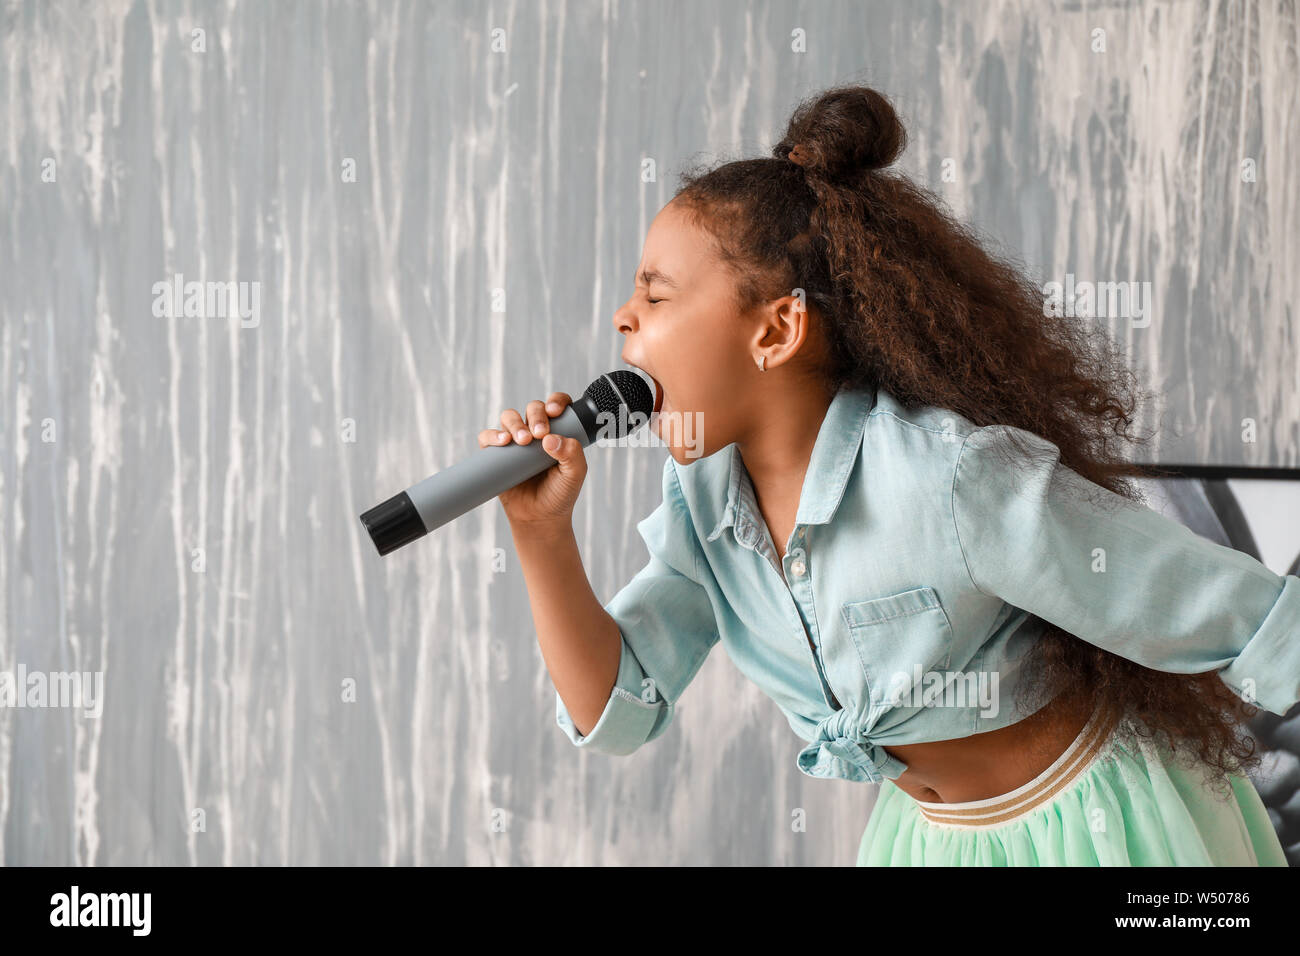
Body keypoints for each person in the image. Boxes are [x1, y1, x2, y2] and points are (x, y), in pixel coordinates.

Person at [480, 85, 1297, 866]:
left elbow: (1220, 608)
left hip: (1097, 826)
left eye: (654, 295)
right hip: (929, 841)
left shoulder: (950, 479)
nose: (623, 316)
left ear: (778, 330)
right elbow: (620, 712)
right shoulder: (703, 508)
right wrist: (540, 532)